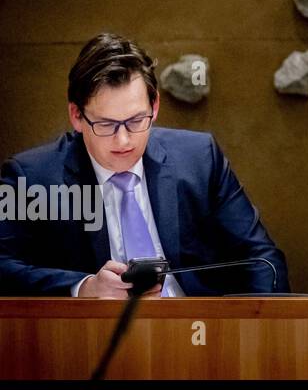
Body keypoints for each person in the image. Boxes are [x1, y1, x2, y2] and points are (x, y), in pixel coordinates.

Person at [0, 33, 290, 297]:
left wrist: (259, 336)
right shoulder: (32, 178)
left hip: (197, 334)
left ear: (155, 106)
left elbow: (262, 259)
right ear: (76, 116)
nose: (124, 139)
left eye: (137, 120)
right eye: (106, 124)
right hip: (92, 342)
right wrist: (84, 287)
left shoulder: (200, 158)